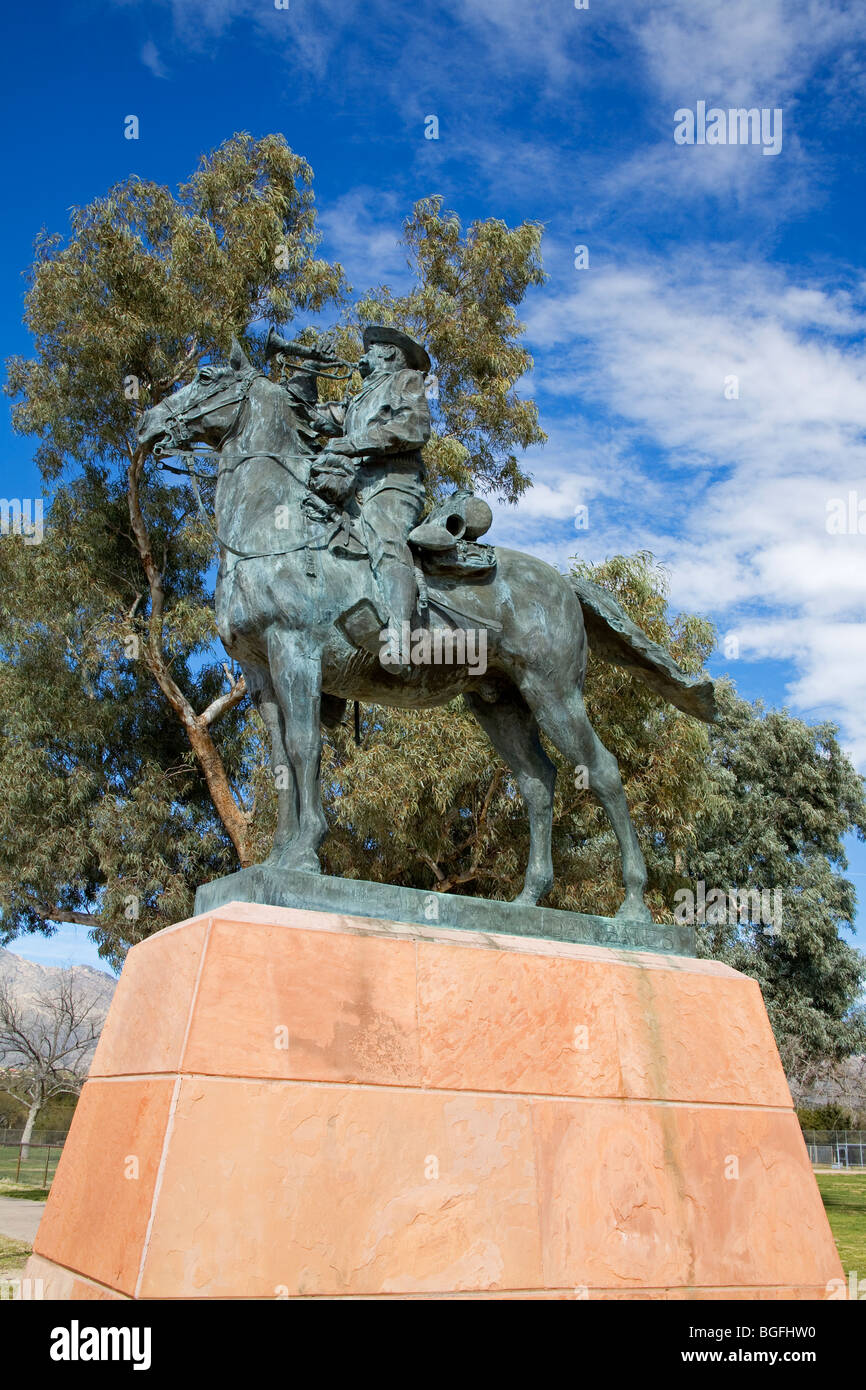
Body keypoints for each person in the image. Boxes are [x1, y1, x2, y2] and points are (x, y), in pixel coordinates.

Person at [308, 326, 432, 664]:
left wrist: (352, 443)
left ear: (389, 353)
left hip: (394, 481)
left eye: (371, 350)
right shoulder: (358, 399)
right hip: (356, 483)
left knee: (384, 538)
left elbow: (415, 429)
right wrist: (307, 369)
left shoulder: (405, 381)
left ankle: (400, 638)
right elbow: (309, 418)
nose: (363, 356)